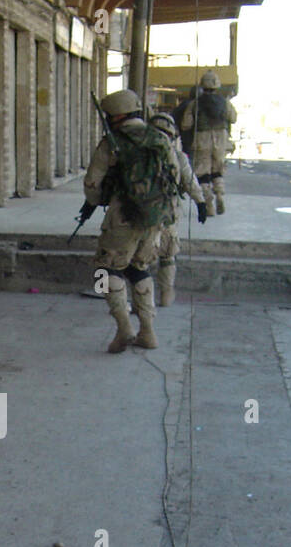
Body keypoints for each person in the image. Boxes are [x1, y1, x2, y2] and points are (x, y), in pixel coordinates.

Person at [83, 89, 172, 352]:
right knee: (139, 268)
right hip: (155, 217)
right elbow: (174, 176)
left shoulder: (111, 142)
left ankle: (123, 328)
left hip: (122, 216)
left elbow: (92, 183)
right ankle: (148, 331)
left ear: (115, 115)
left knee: (106, 269)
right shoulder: (160, 138)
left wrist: (99, 200)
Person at [148, 111, 206, 308]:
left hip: (136, 214)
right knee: (167, 254)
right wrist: (201, 203)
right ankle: (165, 293)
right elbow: (190, 182)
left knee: (137, 261)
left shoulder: (134, 151)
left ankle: (138, 300)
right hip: (167, 212)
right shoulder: (178, 156)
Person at [180, 70, 237, 217]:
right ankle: (219, 194)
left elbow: (186, 124)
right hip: (221, 137)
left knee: (202, 171)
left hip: (202, 138)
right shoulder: (225, 102)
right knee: (217, 169)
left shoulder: (195, 104)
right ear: (217, 85)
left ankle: (208, 201)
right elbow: (233, 118)